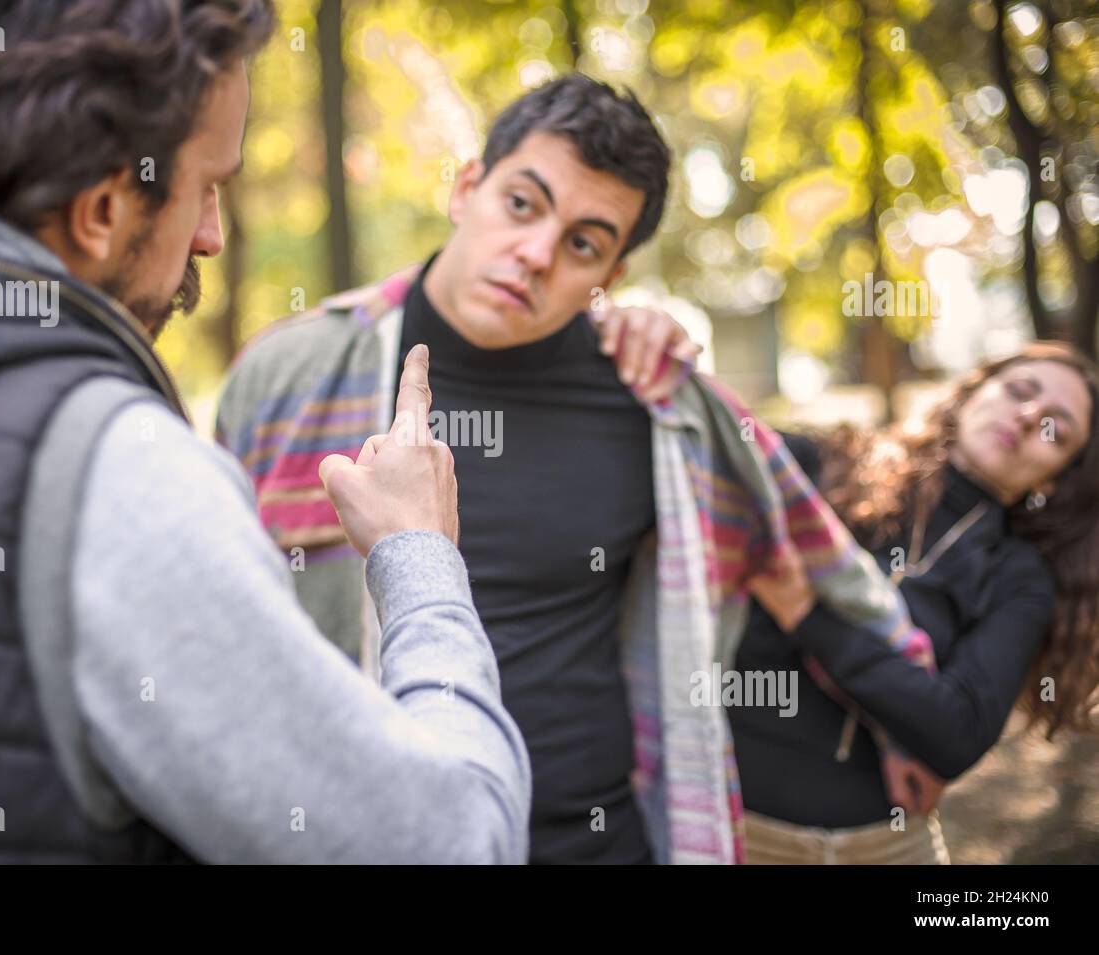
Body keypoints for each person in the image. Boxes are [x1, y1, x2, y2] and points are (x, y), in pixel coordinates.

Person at [0, 0, 532, 864]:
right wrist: (419, 555)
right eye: (208, 183)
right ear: (105, 206)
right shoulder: (116, 476)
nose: (215, 235)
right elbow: (452, 842)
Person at [217, 72, 931, 864]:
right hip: (368, 836)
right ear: (467, 189)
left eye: (584, 242)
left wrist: (901, 714)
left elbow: (806, 551)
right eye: (522, 204)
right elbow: (214, 612)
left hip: (600, 839)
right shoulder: (293, 375)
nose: (535, 254)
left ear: (610, 275)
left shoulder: (662, 406)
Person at [734, 341, 1099, 864]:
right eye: (1020, 390)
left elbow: (954, 733)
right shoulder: (822, 469)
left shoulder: (1017, 578)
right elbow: (702, 432)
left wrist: (805, 613)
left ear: (1053, 480)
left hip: (885, 847)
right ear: (969, 394)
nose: (1027, 417)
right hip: (736, 833)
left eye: (1055, 430)